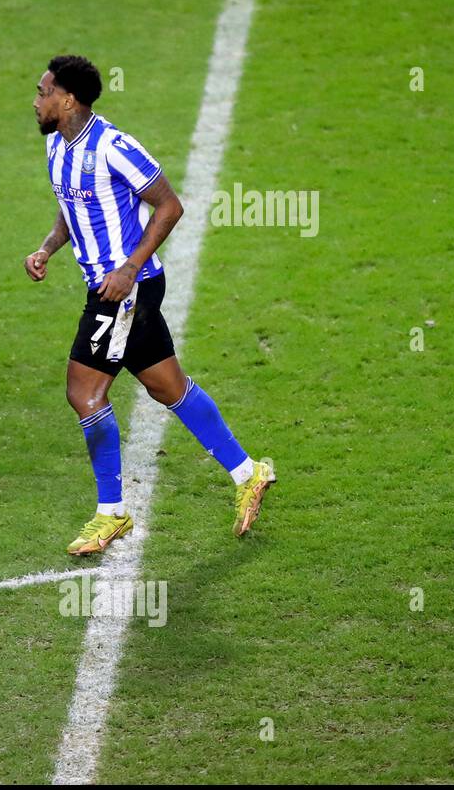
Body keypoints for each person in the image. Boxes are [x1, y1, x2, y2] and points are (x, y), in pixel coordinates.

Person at [24, 54, 275, 554]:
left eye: (42, 92)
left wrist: (129, 268)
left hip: (123, 290)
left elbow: (170, 205)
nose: (35, 101)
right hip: (114, 286)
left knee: (85, 392)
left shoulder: (115, 147)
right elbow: (71, 205)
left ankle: (111, 513)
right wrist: (48, 248)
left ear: (67, 99)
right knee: (169, 387)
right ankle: (250, 472)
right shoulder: (57, 145)